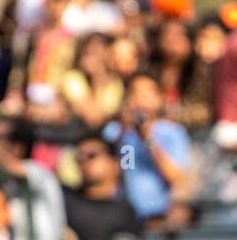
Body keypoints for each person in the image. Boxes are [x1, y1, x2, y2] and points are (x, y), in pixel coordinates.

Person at [112, 71, 195, 225]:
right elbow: (126, 166)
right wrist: (125, 133)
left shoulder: (172, 132)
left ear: (159, 98)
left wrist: (148, 140)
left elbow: (174, 176)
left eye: (147, 93)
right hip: (125, 213)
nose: (140, 99)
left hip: (159, 214)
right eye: (135, 93)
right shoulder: (121, 132)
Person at [61, 33, 123, 128]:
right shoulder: (73, 77)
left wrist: (98, 76)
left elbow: (101, 117)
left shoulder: (115, 83)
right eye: (88, 51)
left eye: (96, 51)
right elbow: (91, 117)